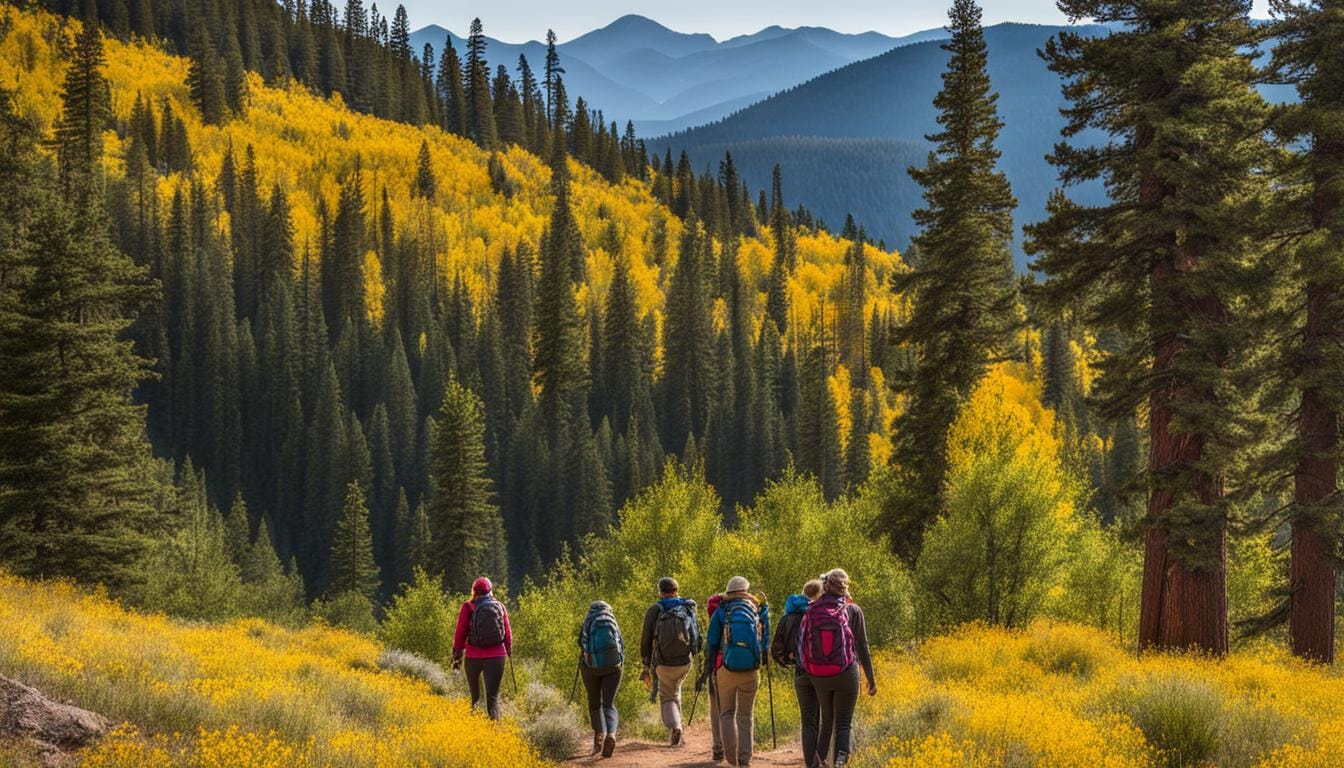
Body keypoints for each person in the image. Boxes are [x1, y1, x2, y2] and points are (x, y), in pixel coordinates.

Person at [801, 569, 875, 768]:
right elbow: (862, 646)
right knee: (843, 723)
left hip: (818, 675)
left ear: (825, 585)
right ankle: (841, 762)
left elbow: (802, 645)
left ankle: (819, 760)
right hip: (846, 672)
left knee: (827, 720)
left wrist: (810, 672)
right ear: (845, 586)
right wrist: (871, 679)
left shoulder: (811, 609)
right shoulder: (853, 610)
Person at [701, 576, 770, 768]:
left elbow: (712, 643)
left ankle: (731, 758)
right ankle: (745, 759)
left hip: (726, 667)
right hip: (751, 670)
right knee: (746, 715)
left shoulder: (722, 611)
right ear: (746, 591)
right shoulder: (758, 610)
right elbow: (766, 641)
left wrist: (708, 668)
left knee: (726, 713)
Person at [639, 576, 700, 746]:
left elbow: (646, 638)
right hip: (685, 661)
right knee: (675, 689)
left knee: (667, 696)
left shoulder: (655, 609)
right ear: (676, 589)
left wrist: (646, 663)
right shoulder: (688, 606)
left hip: (664, 663)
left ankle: (676, 727)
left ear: (660, 592)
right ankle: (680, 733)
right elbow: (696, 632)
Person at [771, 579, 824, 768]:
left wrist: (789, 662)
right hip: (822, 672)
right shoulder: (820, 613)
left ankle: (811, 763)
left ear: (803, 593)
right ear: (819, 594)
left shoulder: (788, 617)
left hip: (801, 672)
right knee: (826, 717)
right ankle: (826, 758)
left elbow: (776, 648)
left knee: (808, 721)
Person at [451, 576, 512, 720]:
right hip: (497, 657)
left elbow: (460, 632)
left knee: (475, 697)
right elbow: (507, 632)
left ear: (474, 591)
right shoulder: (499, 606)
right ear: (490, 591)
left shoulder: (468, 606)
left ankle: (475, 726)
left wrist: (457, 654)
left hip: (473, 657)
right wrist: (509, 651)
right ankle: (495, 731)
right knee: (492, 698)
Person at [579, 600, 625, 758]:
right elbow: (621, 645)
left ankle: (598, 739)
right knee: (609, 704)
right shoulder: (612, 620)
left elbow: (581, 643)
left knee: (594, 703)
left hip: (591, 667)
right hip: (613, 667)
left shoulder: (588, 621)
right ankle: (611, 734)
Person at [699, 593, 725, 762]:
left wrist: (703, 673)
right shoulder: (743, 610)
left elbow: (710, 648)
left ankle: (718, 748)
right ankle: (739, 748)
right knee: (738, 711)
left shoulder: (716, 616)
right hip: (743, 667)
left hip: (718, 668)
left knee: (717, 710)